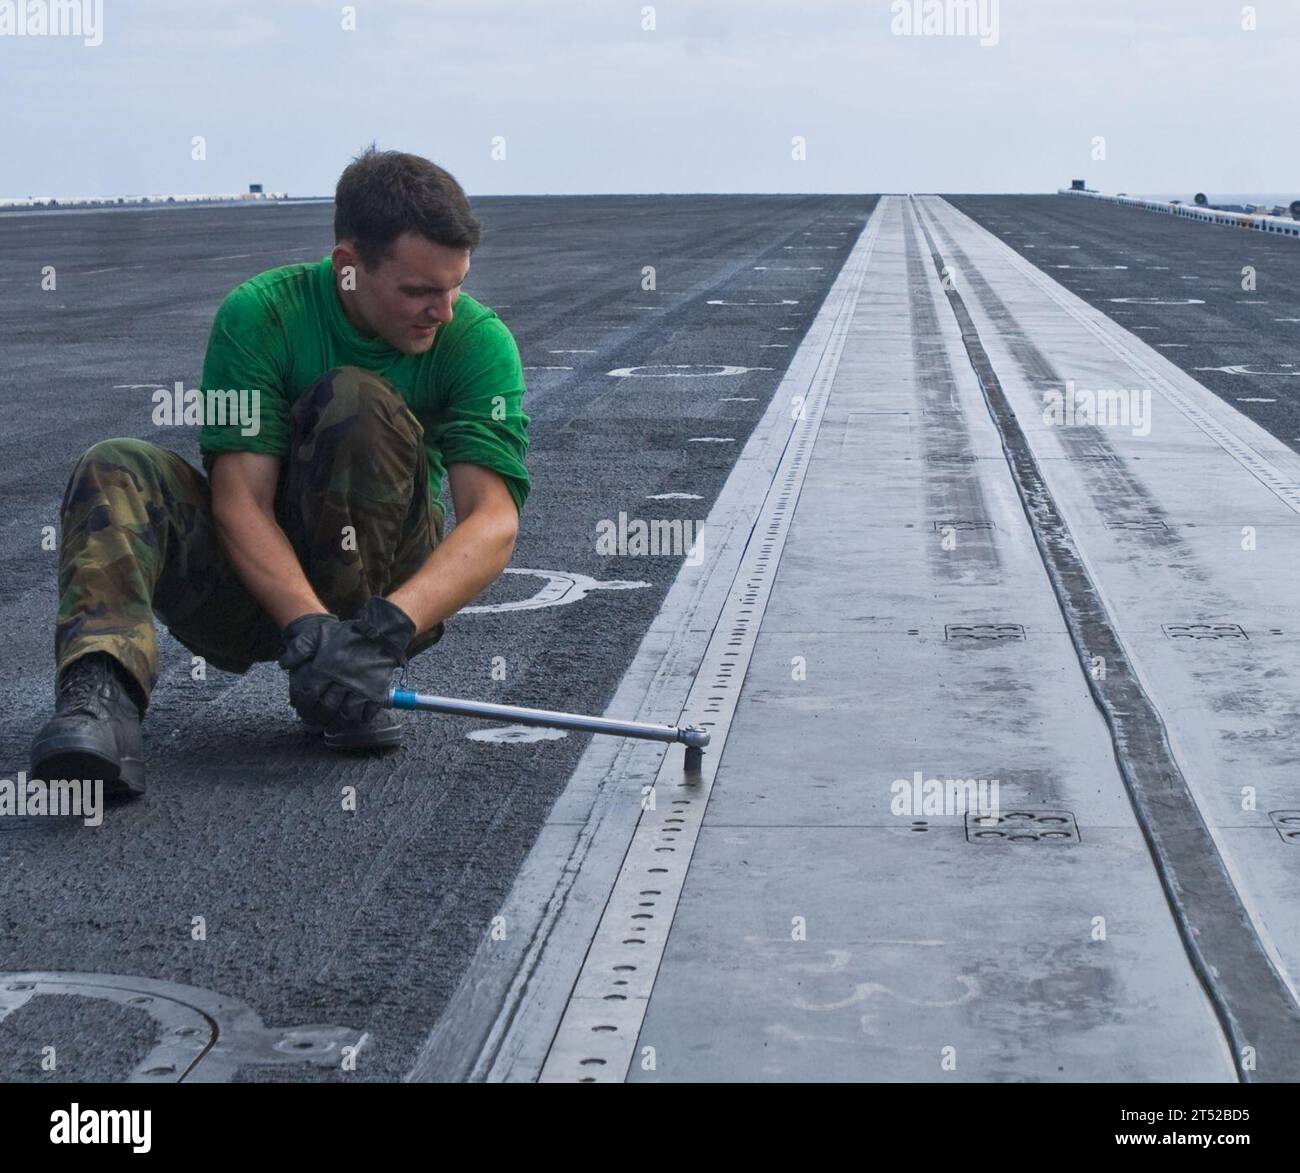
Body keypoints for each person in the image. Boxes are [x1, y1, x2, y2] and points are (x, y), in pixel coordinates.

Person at [29, 147, 530, 799]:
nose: (443, 309)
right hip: (255, 588)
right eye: (419, 291)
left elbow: (493, 520)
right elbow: (241, 501)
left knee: (357, 401)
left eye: (454, 285)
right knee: (116, 466)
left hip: (383, 593)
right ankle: (101, 702)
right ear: (348, 268)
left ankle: (349, 688)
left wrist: (387, 629)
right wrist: (306, 628)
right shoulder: (261, 315)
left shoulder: (478, 342)